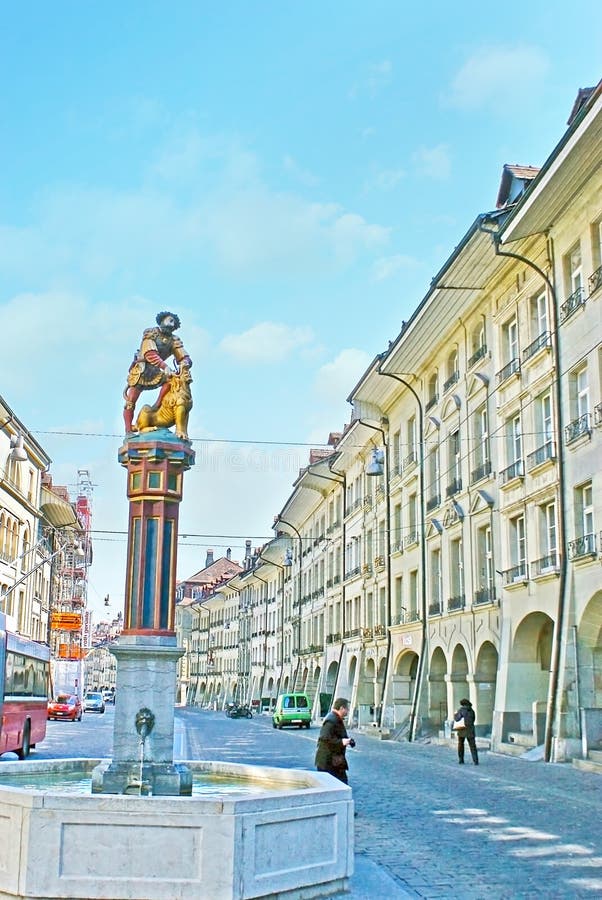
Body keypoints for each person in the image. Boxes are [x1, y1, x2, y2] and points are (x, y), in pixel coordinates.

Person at [123, 311, 192, 433]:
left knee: (172, 382)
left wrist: (185, 362)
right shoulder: (151, 333)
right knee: (130, 402)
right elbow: (150, 354)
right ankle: (128, 431)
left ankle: (157, 405)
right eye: (170, 320)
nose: (172, 323)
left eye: (174, 322)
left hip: (156, 372)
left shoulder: (173, 340)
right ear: (161, 321)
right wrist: (165, 366)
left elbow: (182, 356)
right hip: (141, 370)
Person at [315, 697, 354, 784]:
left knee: (341, 784)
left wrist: (349, 740)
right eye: (347, 709)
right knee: (339, 785)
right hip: (328, 762)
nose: (348, 711)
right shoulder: (331, 720)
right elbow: (325, 738)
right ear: (341, 708)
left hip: (334, 762)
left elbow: (337, 735)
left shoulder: (335, 718)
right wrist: (341, 742)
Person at [454, 697, 479, 765]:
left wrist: (455, 714)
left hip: (462, 730)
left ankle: (461, 759)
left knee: (461, 745)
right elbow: (473, 719)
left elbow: (457, 719)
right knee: (473, 746)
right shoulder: (472, 711)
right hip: (470, 730)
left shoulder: (461, 710)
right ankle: (475, 760)